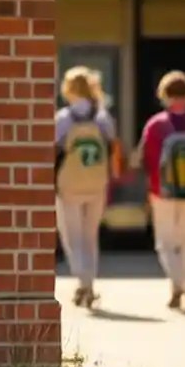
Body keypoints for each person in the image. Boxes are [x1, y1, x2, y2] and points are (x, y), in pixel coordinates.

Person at [139, 71, 185, 312]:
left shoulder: (156, 125)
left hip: (163, 192)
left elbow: (148, 160)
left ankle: (176, 284)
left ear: (164, 95)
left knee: (165, 242)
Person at [55, 66, 122, 309]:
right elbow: (113, 147)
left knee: (72, 237)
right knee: (90, 237)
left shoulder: (63, 118)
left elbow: (54, 148)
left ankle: (83, 282)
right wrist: (114, 176)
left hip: (69, 184)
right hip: (97, 182)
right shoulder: (102, 117)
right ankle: (89, 284)